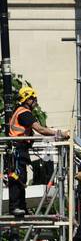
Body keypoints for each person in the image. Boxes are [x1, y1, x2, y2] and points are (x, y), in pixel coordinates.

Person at [6, 86, 70, 217]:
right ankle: (15, 207)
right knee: (17, 178)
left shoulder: (19, 112)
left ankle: (21, 206)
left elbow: (36, 133)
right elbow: (40, 129)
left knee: (21, 178)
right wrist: (59, 133)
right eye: (33, 98)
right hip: (18, 149)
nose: (35, 101)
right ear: (27, 99)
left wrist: (50, 135)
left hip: (19, 149)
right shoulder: (24, 113)